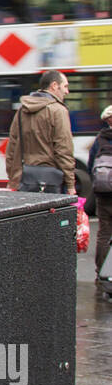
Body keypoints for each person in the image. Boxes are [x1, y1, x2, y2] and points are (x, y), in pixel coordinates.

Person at [5, 69, 75, 194]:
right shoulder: (58, 110)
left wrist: (13, 178)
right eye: (65, 86)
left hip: (22, 180)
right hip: (49, 182)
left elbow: (12, 147)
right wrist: (70, 184)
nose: (67, 91)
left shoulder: (22, 110)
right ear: (54, 85)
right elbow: (63, 149)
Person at [88, 105, 112, 295]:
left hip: (103, 194)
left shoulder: (99, 138)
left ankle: (100, 274)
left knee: (104, 234)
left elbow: (90, 166)